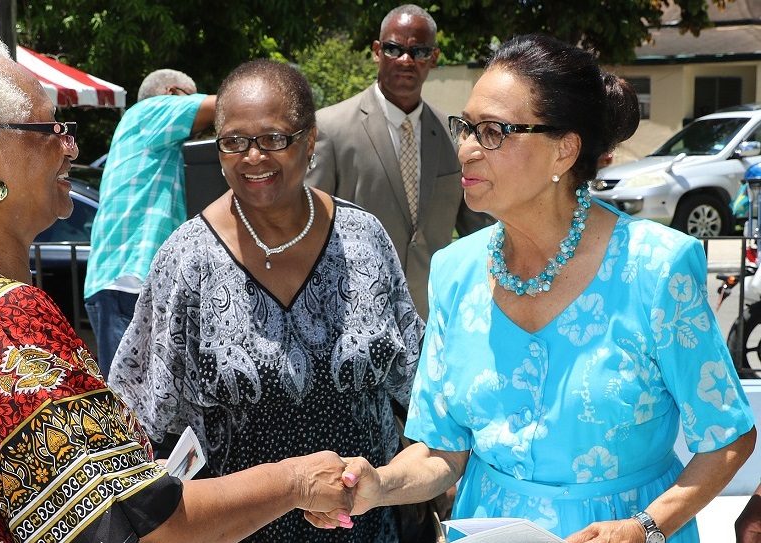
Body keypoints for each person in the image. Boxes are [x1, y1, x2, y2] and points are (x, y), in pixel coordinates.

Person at [0, 28, 354, 543]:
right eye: (49, 129)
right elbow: (143, 529)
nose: (70, 146)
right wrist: (294, 481)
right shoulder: (5, 323)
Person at [307, 34, 757, 542]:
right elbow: (443, 449)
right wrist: (378, 485)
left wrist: (647, 526)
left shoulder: (656, 268)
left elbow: (728, 437)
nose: (467, 150)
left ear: (564, 151)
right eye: (467, 128)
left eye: (494, 132)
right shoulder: (455, 271)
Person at [109, 59, 424, 543]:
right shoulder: (187, 259)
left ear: (311, 138)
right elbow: (139, 419)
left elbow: (419, 394)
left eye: (274, 138)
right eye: (233, 141)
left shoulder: (364, 239)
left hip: (368, 527)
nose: (253, 157)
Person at [307, 4, 490, 319]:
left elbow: (477, 229)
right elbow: (308, 229)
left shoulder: (454, 134)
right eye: (394, 48)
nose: (406, 60)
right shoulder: (331, 130)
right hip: (352, 317)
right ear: (377, 51)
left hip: (432, 316)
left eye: (418, 51)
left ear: (433, 57)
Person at [83, 69, 216, 377]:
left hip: (121, 283)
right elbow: (227, 105)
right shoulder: (149, 112)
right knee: (136, 412)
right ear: (172, 94)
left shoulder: (147, 138)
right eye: (189, 98)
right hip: (132, 281)